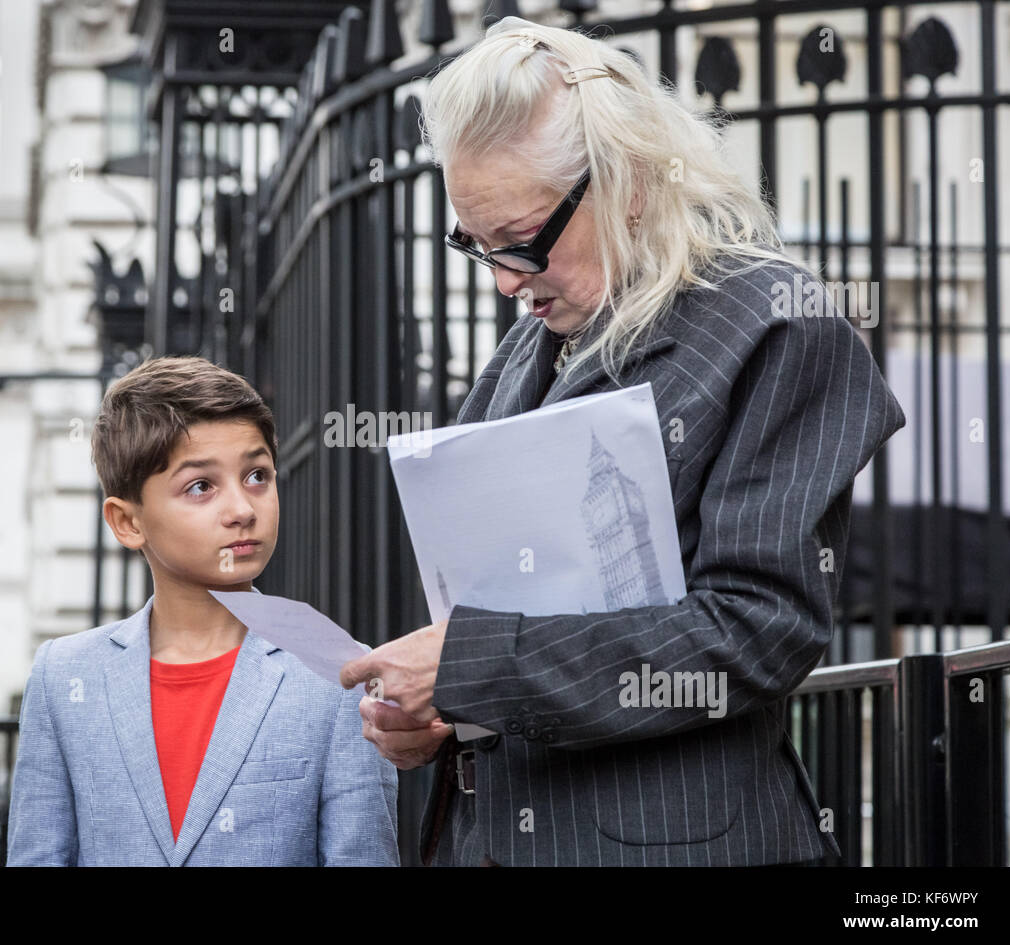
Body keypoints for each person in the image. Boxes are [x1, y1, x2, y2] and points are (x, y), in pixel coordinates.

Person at [339, 17, 906, 866]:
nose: (503, 281)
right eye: (477, 244)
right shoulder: (524, 351)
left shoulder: (776, 318)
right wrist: (441, 711)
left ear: (629, 183)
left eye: (524, 240)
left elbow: (760, 631)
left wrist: (473, 668)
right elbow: (511, 623)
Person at [8, 356, 398, 865]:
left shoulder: (339, 673)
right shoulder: (63, 677)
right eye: (201, 487)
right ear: (126, 522)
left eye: (257, 475)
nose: (242, 509)